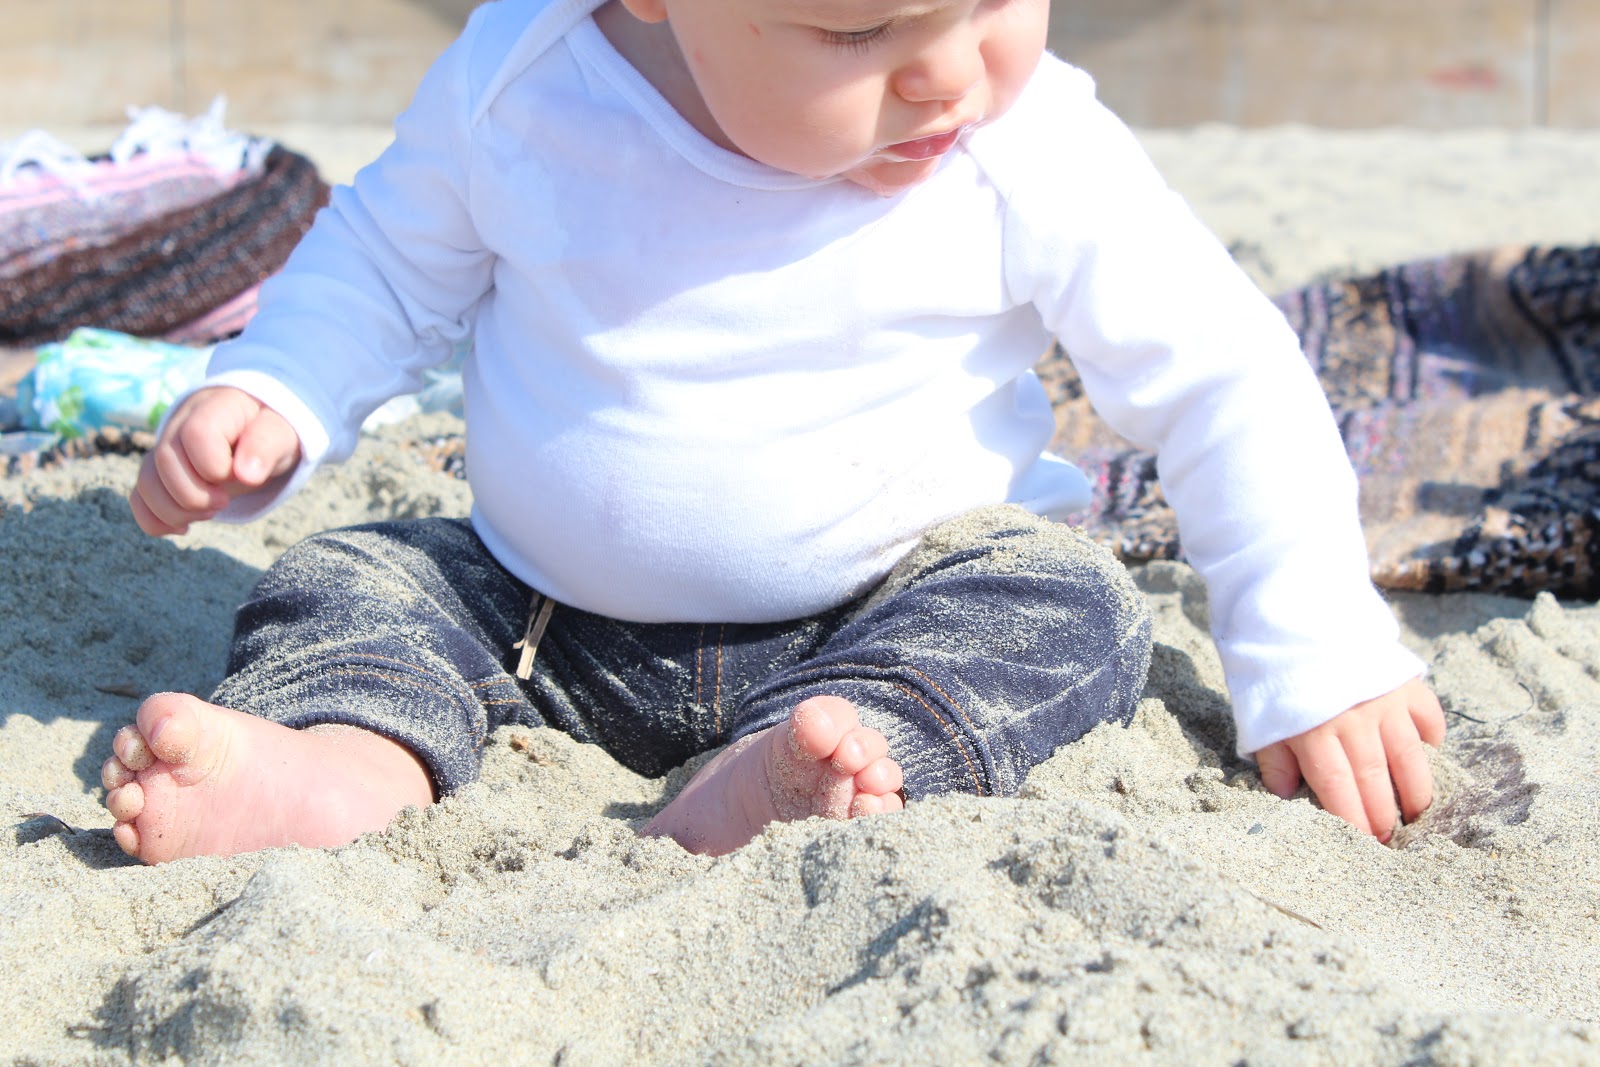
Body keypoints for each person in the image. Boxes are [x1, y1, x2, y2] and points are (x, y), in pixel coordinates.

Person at [101, 0, 1445, 864]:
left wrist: (1311, 644)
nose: (949, 72)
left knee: (1072, 603)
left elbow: (1224, 374)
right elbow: (387, 266)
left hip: (887, 608)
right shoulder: (522, 85)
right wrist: (273, 388)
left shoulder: (1027, 142)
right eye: (859, 35)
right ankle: (345, 766)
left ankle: (792, 775)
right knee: (354, 574)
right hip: (542, 620)